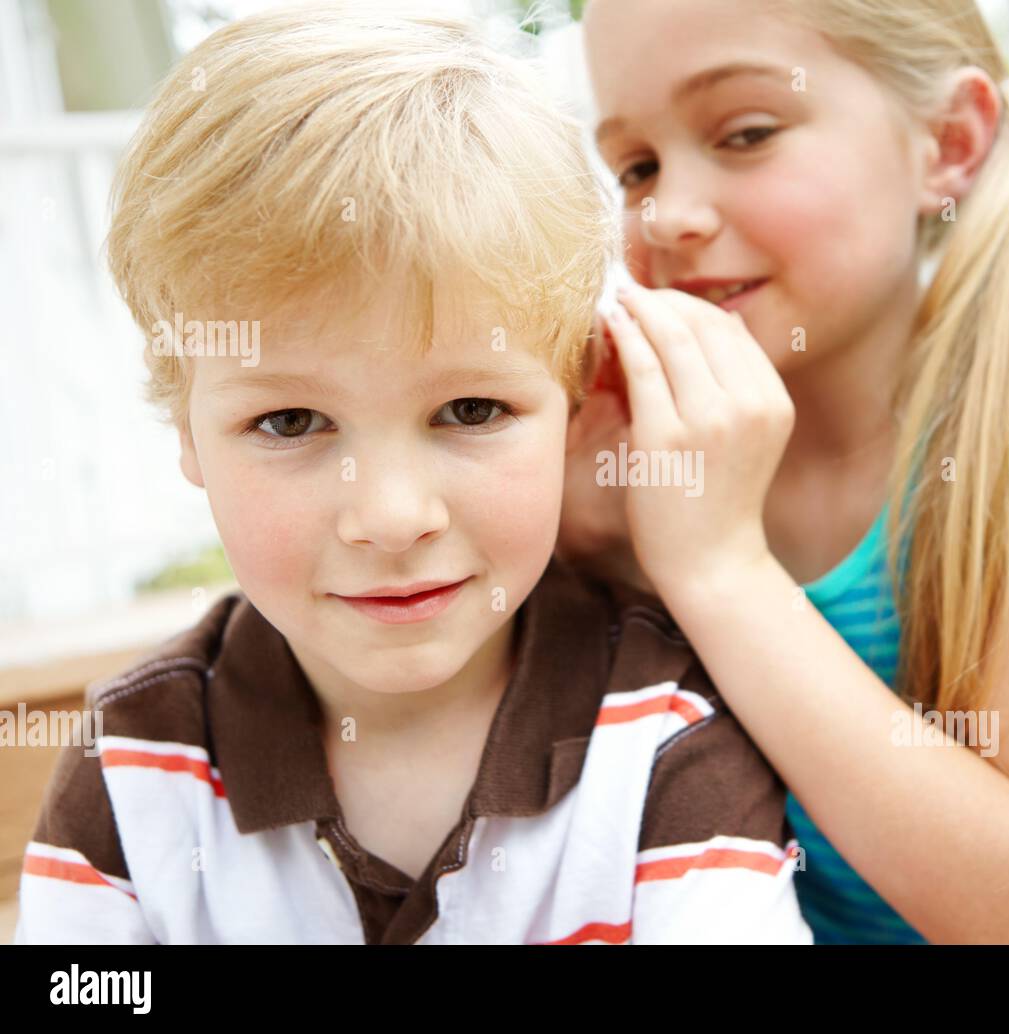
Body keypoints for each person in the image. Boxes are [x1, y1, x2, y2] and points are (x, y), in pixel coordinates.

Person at [11, 2, 811, 946]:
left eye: (470, 411)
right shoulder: (133, 772)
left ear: (580, 399)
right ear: (186, 432)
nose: (392, 518)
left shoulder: (664, 734)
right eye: (291, 420)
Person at [560, 0, 1009, 943]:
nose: (670, 215)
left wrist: (720, 572)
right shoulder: (657, 468)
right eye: (636, 167)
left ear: (946, 143)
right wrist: (591, 546)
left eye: (745, 133)